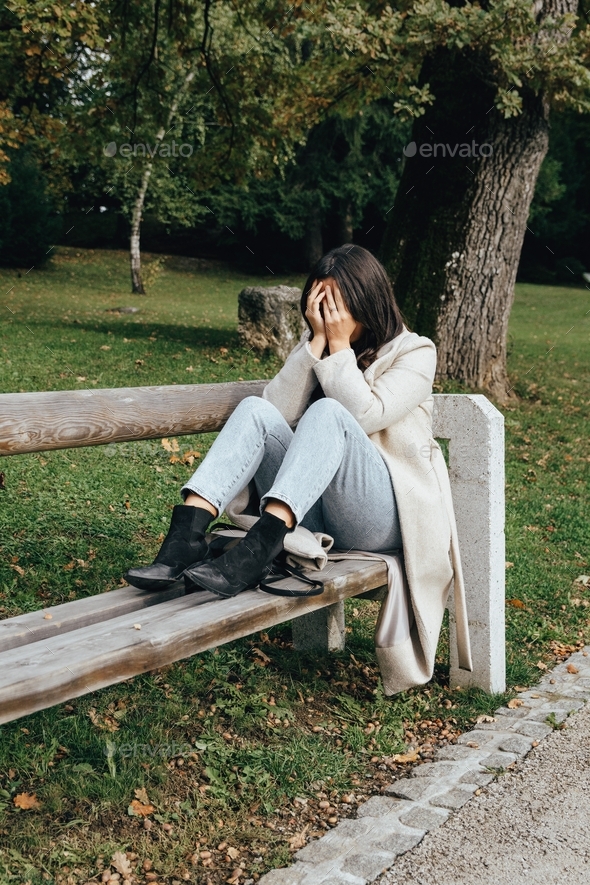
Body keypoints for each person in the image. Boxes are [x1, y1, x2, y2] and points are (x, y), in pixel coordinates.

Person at [124, 245, 455, 632]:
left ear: (367, 299)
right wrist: (315, 345)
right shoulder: (316, 339)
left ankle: (254, 552)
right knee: (253, 409)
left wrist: (339, 347)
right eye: (318, 301)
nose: (326, 313)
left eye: (335, 302)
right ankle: (183, 543)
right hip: (311, 509)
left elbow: (363, 415)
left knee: (330, 412)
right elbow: (274, 412)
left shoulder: (415, 351)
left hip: (380, 517)